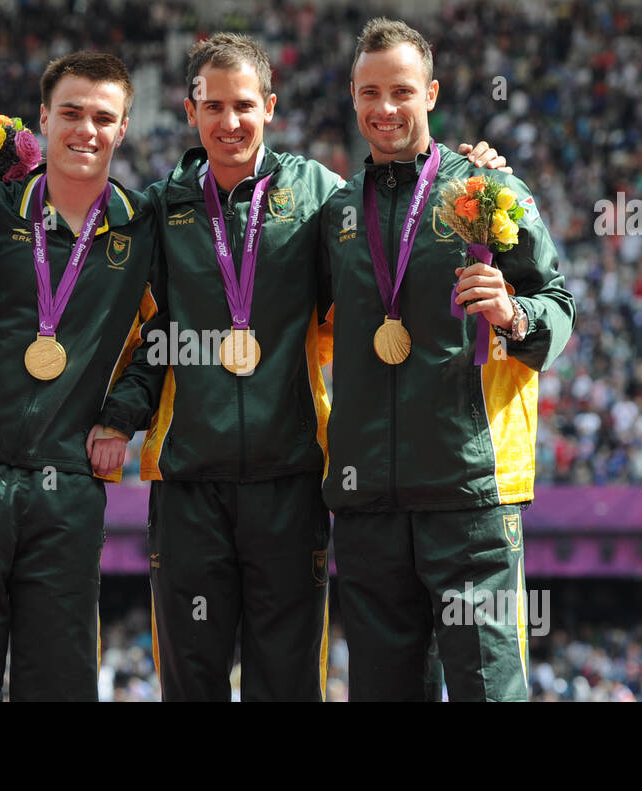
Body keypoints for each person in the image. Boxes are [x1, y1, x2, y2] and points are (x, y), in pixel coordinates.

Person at [89, 33, 509, 701]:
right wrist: (120, 414)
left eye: (245, 105)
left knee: (288, 681)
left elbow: (392, 243)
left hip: (292, 478)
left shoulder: (319, 194)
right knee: (189, 678)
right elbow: (152, 334)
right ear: (191, 110)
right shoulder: (161, 209)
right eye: (215, 105)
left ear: (271, 107)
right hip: (188, 480)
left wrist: (467, 170)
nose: (231, 122)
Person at [319, 18, 575, 701]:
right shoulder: (338, 213)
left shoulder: (487, 192)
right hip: (368, 501)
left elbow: (559, 307)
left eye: (402, 91)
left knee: (490, 690)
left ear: (430, 93)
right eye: (370, 92)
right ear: (352, 96)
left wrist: (515, 312)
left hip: (470, 499)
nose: (386, 109)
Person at [0, 52, 162, 701]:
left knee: (60, 679)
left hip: (66, 482)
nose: (86, 130)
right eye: (71, 113)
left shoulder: (142, 229)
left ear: (123, 127)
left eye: (103, 117)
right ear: (44, 119)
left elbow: (167, 336)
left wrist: (123, 412)